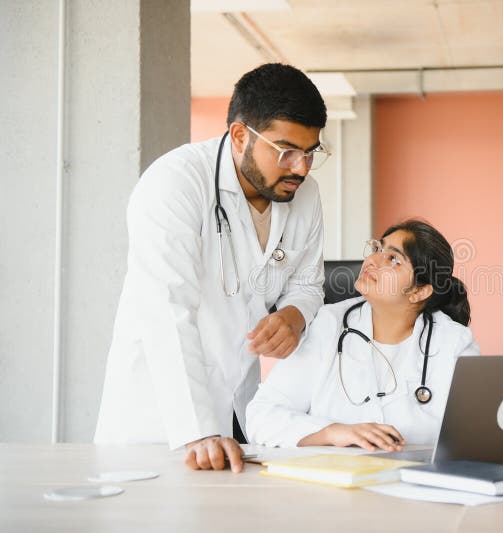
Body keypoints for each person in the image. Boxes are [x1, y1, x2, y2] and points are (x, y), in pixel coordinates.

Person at [94, 63, 329, 473]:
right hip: (162, 420)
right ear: (241, 136)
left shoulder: (305, 197)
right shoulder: (176, 183)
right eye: (286, 150)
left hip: (239, 411)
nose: (301, 168)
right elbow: (166, 311)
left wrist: (295, 315)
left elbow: (308, 283)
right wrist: (197, 428)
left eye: (311, 152)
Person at [245, 220, 503, 462]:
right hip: (331, 496)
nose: (373, 261)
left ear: (420, 290)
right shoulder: (327, 325)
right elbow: (261, 417)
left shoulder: (452, 341)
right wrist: (334, 432)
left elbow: (480, 431)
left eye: (393, 259)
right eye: (377, 249)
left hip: (419, 495)